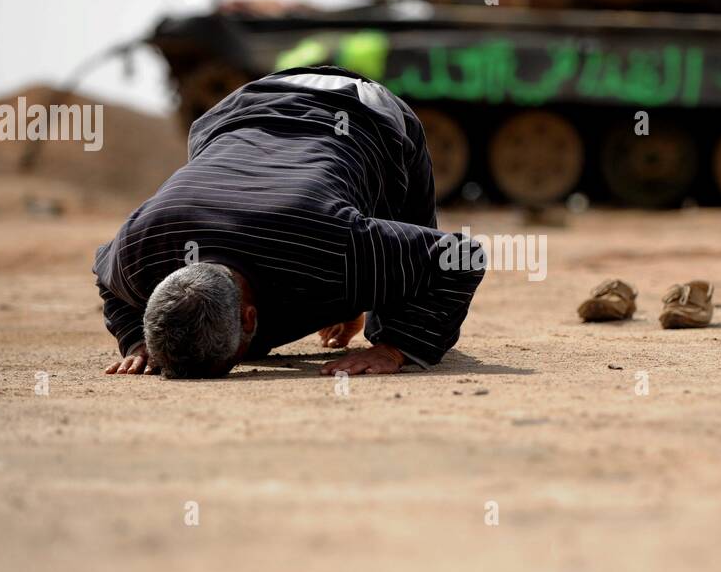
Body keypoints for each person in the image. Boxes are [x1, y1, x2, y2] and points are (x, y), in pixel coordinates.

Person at [93, 66, 484, 379]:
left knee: (399, 303)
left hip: (365, 112)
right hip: (236, 111)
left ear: (250, 317)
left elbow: (460, 256)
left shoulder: (333, 243)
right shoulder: (140, 250)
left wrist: (394, 348)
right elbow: (105, 273)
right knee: (363, 265)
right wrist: (135, 342)